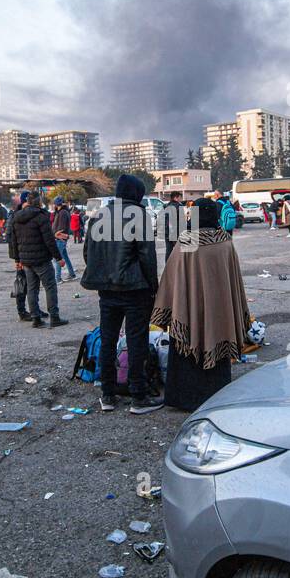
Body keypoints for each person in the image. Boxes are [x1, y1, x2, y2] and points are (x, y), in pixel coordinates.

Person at [151, 198, 251, 410]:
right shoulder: (225, 240)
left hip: (189, 315)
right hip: (220, 317)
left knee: (186, 354)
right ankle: (216, 396)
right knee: (218, 354)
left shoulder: (187, 241)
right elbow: (234, 281)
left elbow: (172, 278)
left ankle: (186, 399)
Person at [82, 174, 164, 414]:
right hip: (134, 289)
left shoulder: (97, 216)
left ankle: (107, 395)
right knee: (136, 340)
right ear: (135, 194)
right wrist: (153, 287)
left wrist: (104, 275)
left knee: (108, 339)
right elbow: (147, 256)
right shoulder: (139, 216)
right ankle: (138, 396)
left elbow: (89, 252)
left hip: (106, 290)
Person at [12, 194, 67, 328]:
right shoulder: (41, 217)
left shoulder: (17, 217)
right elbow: (49, 240)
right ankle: (54, 316)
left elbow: (14, 240)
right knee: (50, 287)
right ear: (39, 203)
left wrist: (17, 259)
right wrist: (59, 258)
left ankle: (36, 318)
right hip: (42, 259)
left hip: (26, 261)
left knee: (32, 289)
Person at [5, 197, 32, 321]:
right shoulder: (15, 217)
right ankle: (21, 311)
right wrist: (17, 259)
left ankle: (34, 309)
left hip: (28, 254)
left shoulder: (24, 215)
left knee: (32, 284)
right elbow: (11, 239)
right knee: (22, 283)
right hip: (21, 256)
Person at [50, 196, 78, 281]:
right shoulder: (62, 211)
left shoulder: (62, 212)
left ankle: (57, 278)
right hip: (61, 238)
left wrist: (55, 234)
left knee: (58, 258)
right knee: (65, 257)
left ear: (56, 204)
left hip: (60, 238)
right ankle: (72, 274)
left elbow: (61, 227)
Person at [162, 190, 185, 261]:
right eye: (179, 198)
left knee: (168, 250)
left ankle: (167, 267)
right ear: (175, 198)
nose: (180, 199)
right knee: (180, 251)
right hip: (176, 232)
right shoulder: (178, 206)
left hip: (168, 231)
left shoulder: (166, 206)